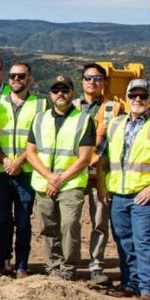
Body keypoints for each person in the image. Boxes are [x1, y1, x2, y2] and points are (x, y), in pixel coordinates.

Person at [97, 79, 150, 300]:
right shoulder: (115, 124)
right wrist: (102, 186)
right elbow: (102, 158)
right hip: (118, 194)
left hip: (143, 194)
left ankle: (149, 288)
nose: (138, 100)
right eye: (133, 96)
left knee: (144, 241)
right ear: (127, 97)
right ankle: (129, 283)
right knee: (124, 241)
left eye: (143, 96)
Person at [26, 76, 95, 280]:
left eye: (65, 90)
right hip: (44, 182)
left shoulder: (83, 120)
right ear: (50, 94)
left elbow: (85, 158)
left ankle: (68, 269)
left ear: (72, 93)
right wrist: (49, 177)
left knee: (69, 225)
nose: (60, 94)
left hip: (71, 184)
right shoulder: (40, 119)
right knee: (48, 227)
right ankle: (53, 266)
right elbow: (30, 152)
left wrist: (60, 179)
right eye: (56, 91)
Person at [0, 61, 46, 278]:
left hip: (26, 173)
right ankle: (0, 262)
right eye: (12, 76)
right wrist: (5, 160)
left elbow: (41, 139)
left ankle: (22, 264)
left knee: (23, 220)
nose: (16, 80)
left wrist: (19, 162)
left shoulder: (40, 106)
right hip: (1, 172)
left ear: (29, 78)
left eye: (21, 76)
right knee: (2, 219)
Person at [75, 63, 124, 288]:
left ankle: (96, 266)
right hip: (74, 173)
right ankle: (72, 264)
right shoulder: (72, 105)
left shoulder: (115, 108)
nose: (92, 82)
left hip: (101, 174)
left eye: (97, 78)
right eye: (88, 78)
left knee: (99, 223)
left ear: (104, 82)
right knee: (70, 222)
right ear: (82, 81)